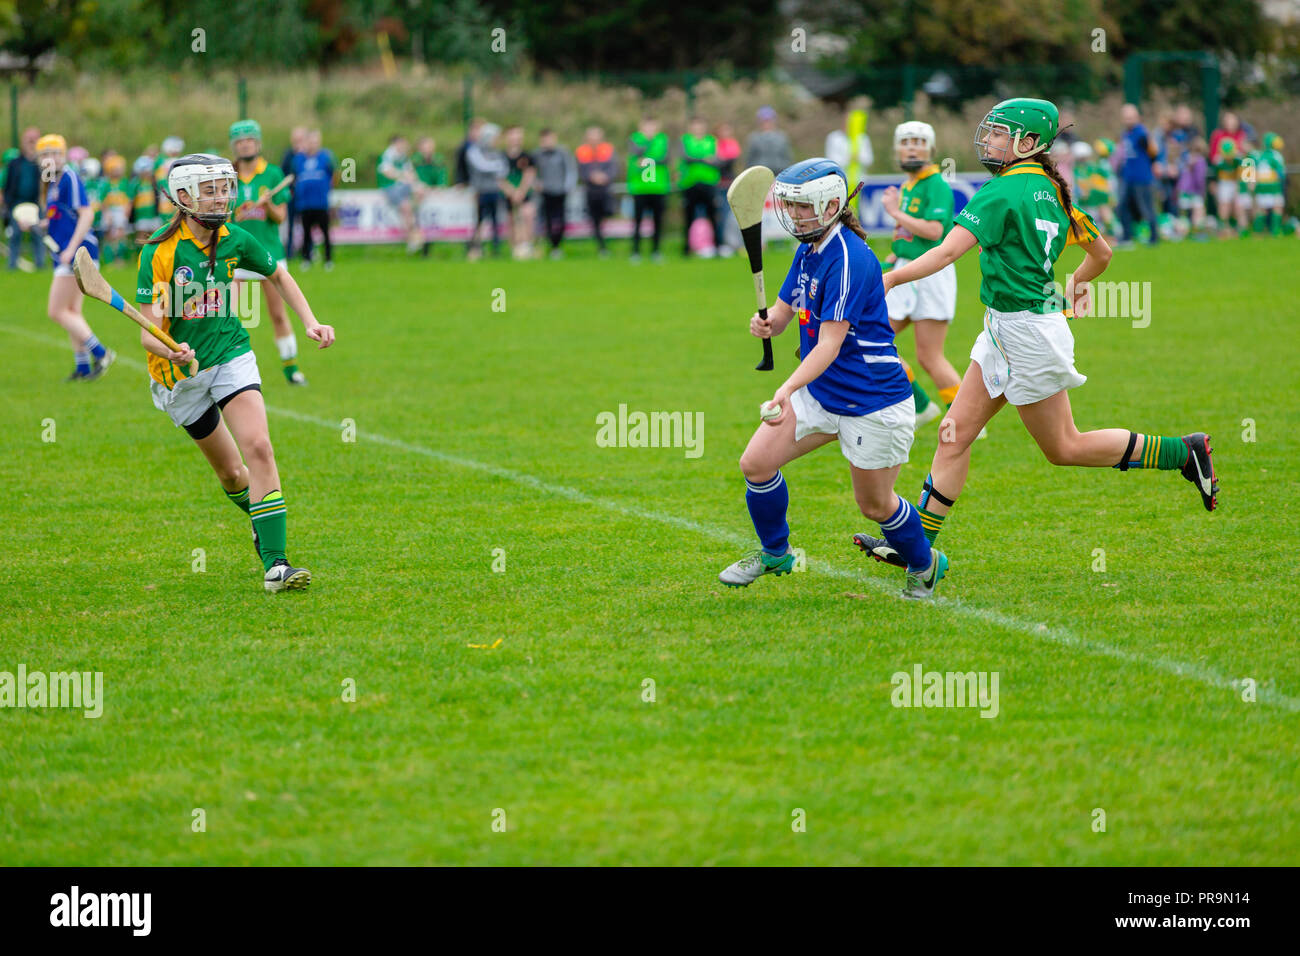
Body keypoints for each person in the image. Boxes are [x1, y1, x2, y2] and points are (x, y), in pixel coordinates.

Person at [853, 98, 1217, 581]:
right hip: (1009, 326)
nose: (989, 140)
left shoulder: (1001, 191)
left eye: (1000, 134)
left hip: (1026, 332)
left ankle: (1183, 452)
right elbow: (1101, 254)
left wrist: (891, 280)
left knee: (1064, 447)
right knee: (954, 436)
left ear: (1028, 143)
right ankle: (916, 546)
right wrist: (1073, 286)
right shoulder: (1054, 189)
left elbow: (944, 253)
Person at [717, 158, 945, 600]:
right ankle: (775, 553)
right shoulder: (809, 250)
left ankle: (924, 564)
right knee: (757, 463)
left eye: (802, 207)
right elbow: (784, 313)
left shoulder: (848, 258)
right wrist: (768, 325)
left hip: (872, 401)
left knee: (875, 505)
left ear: (831, 206)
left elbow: (828, 345)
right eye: (790, 205)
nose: (793, 215)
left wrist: (785, 388)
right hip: (823, 393)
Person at [136, 153, 335, 592]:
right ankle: (258, 519)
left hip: (230, 354)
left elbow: (278, 274)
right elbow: (149, 334)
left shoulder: (235, 237)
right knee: (230, 474)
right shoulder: (158, 253)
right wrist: (172, 351)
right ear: (184, 196)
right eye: (211, 190)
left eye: (225, 187)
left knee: (260, 447)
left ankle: (276, 566)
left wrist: (310, 321)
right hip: (180, 378)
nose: (221, 197)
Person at [880, 121, 961, 432]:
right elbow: (907, 235)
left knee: (929, 356)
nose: (912, 147)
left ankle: (964, 419)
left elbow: (935, 232)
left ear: (931, 149)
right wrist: (893, 255)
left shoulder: (937, 185)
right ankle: (921, 406)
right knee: (873, 340)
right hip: (904, 271)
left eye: (918, 142)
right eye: (906, 142)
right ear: (897, 149)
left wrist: (895, 213)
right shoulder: (907, 185)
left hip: (932, 274)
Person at [228, 119, 308, 387]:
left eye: (249, 139)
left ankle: (291, 368)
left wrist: (267, 204)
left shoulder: (272, 174)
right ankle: (227, 368)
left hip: (268, 252)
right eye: (240, 141)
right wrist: (240, 212)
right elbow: (224, 219)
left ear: (258, 143)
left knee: (277, 314)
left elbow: (281, 216)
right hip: (235, 254)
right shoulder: (228, 176)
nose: (245, 144)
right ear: (234, 146)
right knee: (228, 314)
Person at [36, 134, 115, 381]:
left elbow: (86, 214)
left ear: (64, 155)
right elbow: (61, 217)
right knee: (72, 311)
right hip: (67, 252)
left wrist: (70, 249)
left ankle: (101, 352)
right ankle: (82, 367)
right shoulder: (54, 182)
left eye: (55, 153)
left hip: (77, 254)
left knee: (56, 311)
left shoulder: (68, 176)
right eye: (45, 154)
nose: (50, 159)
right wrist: (41, 224)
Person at [1116, 103, 1159, 246]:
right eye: (1126, 118)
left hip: (1142, 177)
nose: (1128, 120)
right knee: (1123, 207)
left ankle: (1154, 237)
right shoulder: (1125, 133)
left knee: (1146, 208)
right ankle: (1127, 237)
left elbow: (1153, 152)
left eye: (1131, 117)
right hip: (1128, 177)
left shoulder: (1141, 133)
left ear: (1137, 117)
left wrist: (1154, 164)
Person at [627, 117, 669, 263]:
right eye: (647, 127)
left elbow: (664, 158)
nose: (650, 130)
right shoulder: (635, 139)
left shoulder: (662, 139)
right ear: (641, 127)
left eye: (652, 127)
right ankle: (635, 251)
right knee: (637, 221)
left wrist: (647, 160)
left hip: (658, 187)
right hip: (640, 187)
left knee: (658, 221)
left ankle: (656, 251)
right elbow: (636, 154)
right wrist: (647, 143)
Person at [678, 117, 722, 257]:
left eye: (700, 126)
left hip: (708, 183)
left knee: (713, 216)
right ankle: (686, 248)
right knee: (688, 217)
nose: (698, 129)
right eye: (695, 126)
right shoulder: (685, 141)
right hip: (690, 183)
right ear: (691, 127)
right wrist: (703, 159)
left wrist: (698, 159)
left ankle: (717, 247)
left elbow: (716, 160)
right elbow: (686, 158)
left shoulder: (711, 141)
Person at [465, 122, 508, 260]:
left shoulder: (495, 152)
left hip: (494, 190)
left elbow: (504, 169)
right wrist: (496, 166)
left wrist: (495, 166)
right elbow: (483, 166)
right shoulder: (474, 150)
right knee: (479, 221)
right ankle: (475, 248)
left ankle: (496, 249)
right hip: (480, 191)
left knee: (496, 221)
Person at [294, 129, 335, 270]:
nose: (313, 144)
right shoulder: (299, 159)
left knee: (325, 232)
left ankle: (328, 259)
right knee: (306, 233)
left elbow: (333, 174)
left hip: (321, 202)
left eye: (315, 142)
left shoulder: (325, 157)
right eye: (310, 142)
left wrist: (327, 189)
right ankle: (306, 259)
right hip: (305, 203)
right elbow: (295, 176)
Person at [5, 127, 45, 271]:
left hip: (36, 203)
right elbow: (8, 186)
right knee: (15, 234)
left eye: (34, 140)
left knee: (38, 234)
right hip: (17, 203)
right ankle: (12, 265)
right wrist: (9, 206)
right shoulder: (15, 163)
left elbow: (48, 184)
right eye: (29, 139)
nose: (31, 143)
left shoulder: (43, 164)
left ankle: (40, 264)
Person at [377, 135, 424, 254]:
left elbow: (411, 173)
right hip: (391, 187)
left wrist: (413, 181)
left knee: (420, 192)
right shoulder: (387, 155)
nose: (405, 146)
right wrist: (403, 176)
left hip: (402, 186)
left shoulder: (403, 157)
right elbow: (387, 172)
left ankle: (414, 231)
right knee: (406, 208)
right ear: (396, 143)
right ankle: (412, 236)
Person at [534, 128, 576, 259]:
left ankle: (557, 245)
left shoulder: (563, 152)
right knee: (546, 220)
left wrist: (567, 187)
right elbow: (531, 171)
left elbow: (571, 170)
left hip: (560, 192)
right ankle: (550, 244)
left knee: (561, 220)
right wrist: (536, 183)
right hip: (545, 192)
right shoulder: (537, 154)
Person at [575, 126, 615, 258]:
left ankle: (607, 243)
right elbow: (581, 170)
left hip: (605, 189)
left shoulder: (608, 149)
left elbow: (614, 167)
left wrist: (605, 177)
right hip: (591, 190)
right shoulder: (582, 151)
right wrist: (592, 177)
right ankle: (601, 246)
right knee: (595, 218)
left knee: (608, 214)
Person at [93, 153, 136, 263]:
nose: (117, 171)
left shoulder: (125, 182)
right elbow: (103, 201)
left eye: (119, 169)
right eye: (114, 169)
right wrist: (107, 214)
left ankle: (120, 258)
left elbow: (129, 200)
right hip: (110, 211)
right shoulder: (106, 183)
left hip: (121, 211)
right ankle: (109, 259)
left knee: (121, 235)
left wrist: (126, 213)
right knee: (109, 236)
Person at [502, 126, 537, 260]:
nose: (516, 138)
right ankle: (514, 248)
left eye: (518, 135)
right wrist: (510, 191)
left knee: (527, 215)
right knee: (511, 220)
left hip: (524, 193)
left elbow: (529, 174)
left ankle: (528, 246)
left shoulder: (527, 156)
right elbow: (499, 177)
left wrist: (521, 191)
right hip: (508, 193)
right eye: (513, 135)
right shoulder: (501, 157)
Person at [1250, 133, 1286, 235]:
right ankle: (1275, 231)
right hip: (1273, 187)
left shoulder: (1257, 155)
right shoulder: (1276, 155)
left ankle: (1258, 232)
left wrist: (1252, 183)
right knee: (1277, 207)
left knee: (1261, 209)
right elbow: (1281, 173)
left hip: (1261, 187)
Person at [279, 127, 306, 258]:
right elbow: (282, 174)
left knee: (307, 225)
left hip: (306, 197)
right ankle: (289, 253)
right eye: (296, 139)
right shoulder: (288, 155)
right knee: (289, 226)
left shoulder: (308, 155)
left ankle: (307, 252)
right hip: (292, 196)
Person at [1174, 137, 1209, 240]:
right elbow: (1199, 178)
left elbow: (1182, 177)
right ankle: (1198, 233)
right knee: (1198, 212)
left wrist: (1178, 189)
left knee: (1183, 214)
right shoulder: (1200, 161)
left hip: (1183, 190)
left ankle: (1181, 234)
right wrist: (1202, 191)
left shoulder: (1187, 159)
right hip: (1195, 191)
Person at [1212, 138, 1246, 237]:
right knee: (1224, 206)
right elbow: (1215, 176)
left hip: (1236, 182)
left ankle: (1240, 229)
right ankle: (1223, 228)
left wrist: (1240, 186)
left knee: (1238, 206)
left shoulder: (1238, 159)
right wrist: (1214, 185)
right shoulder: (1218, 161)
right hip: (1224, 184)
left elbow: (1244, 172)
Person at [744, 106, 793, 173]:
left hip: (779, 173)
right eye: (764, 121)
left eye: (769, 120)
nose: (767, 123)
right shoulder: (754, 138)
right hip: (760, 174)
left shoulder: (782, 137)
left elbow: (787, 157)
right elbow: (749, 159)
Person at [131, 154, 160, 244]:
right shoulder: (136, 183)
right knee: (142, 234)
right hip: (141, 214)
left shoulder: (153, 182)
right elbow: (131, 199)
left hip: (152, 213)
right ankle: (139, 252)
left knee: (155, 233)